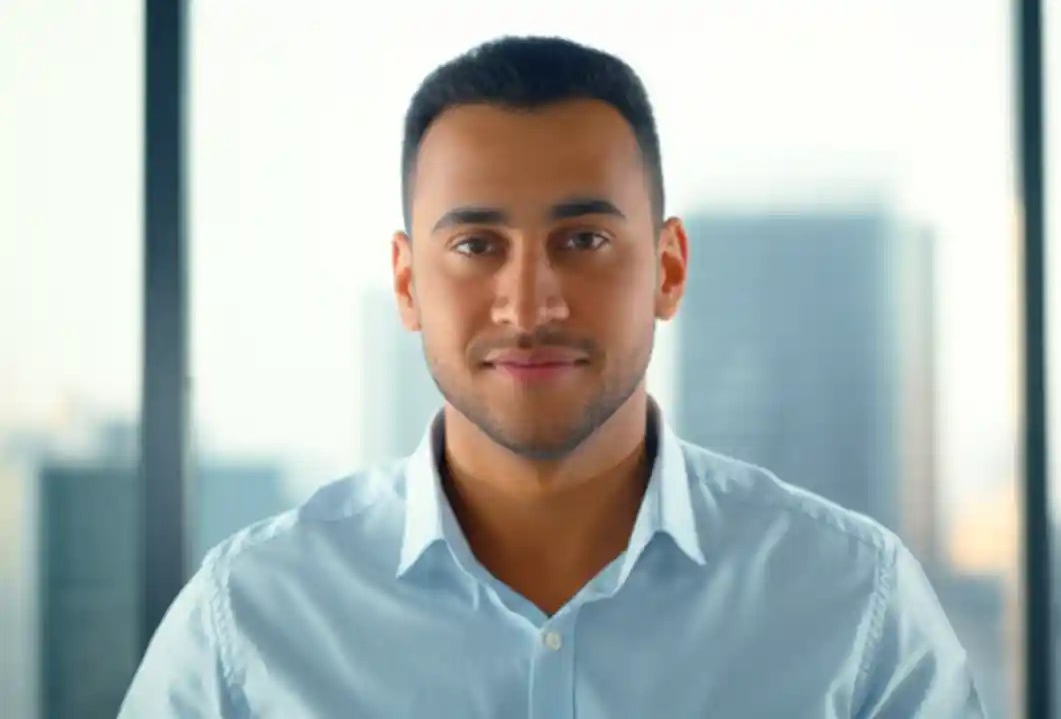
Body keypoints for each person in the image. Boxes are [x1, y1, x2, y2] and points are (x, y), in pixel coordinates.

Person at [120, 35, 985, 718]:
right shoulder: (248, 620)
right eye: (474, 246)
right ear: (407, 282)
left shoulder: (852, 602)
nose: (528, 302)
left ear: (670, 269)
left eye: (584, 240)